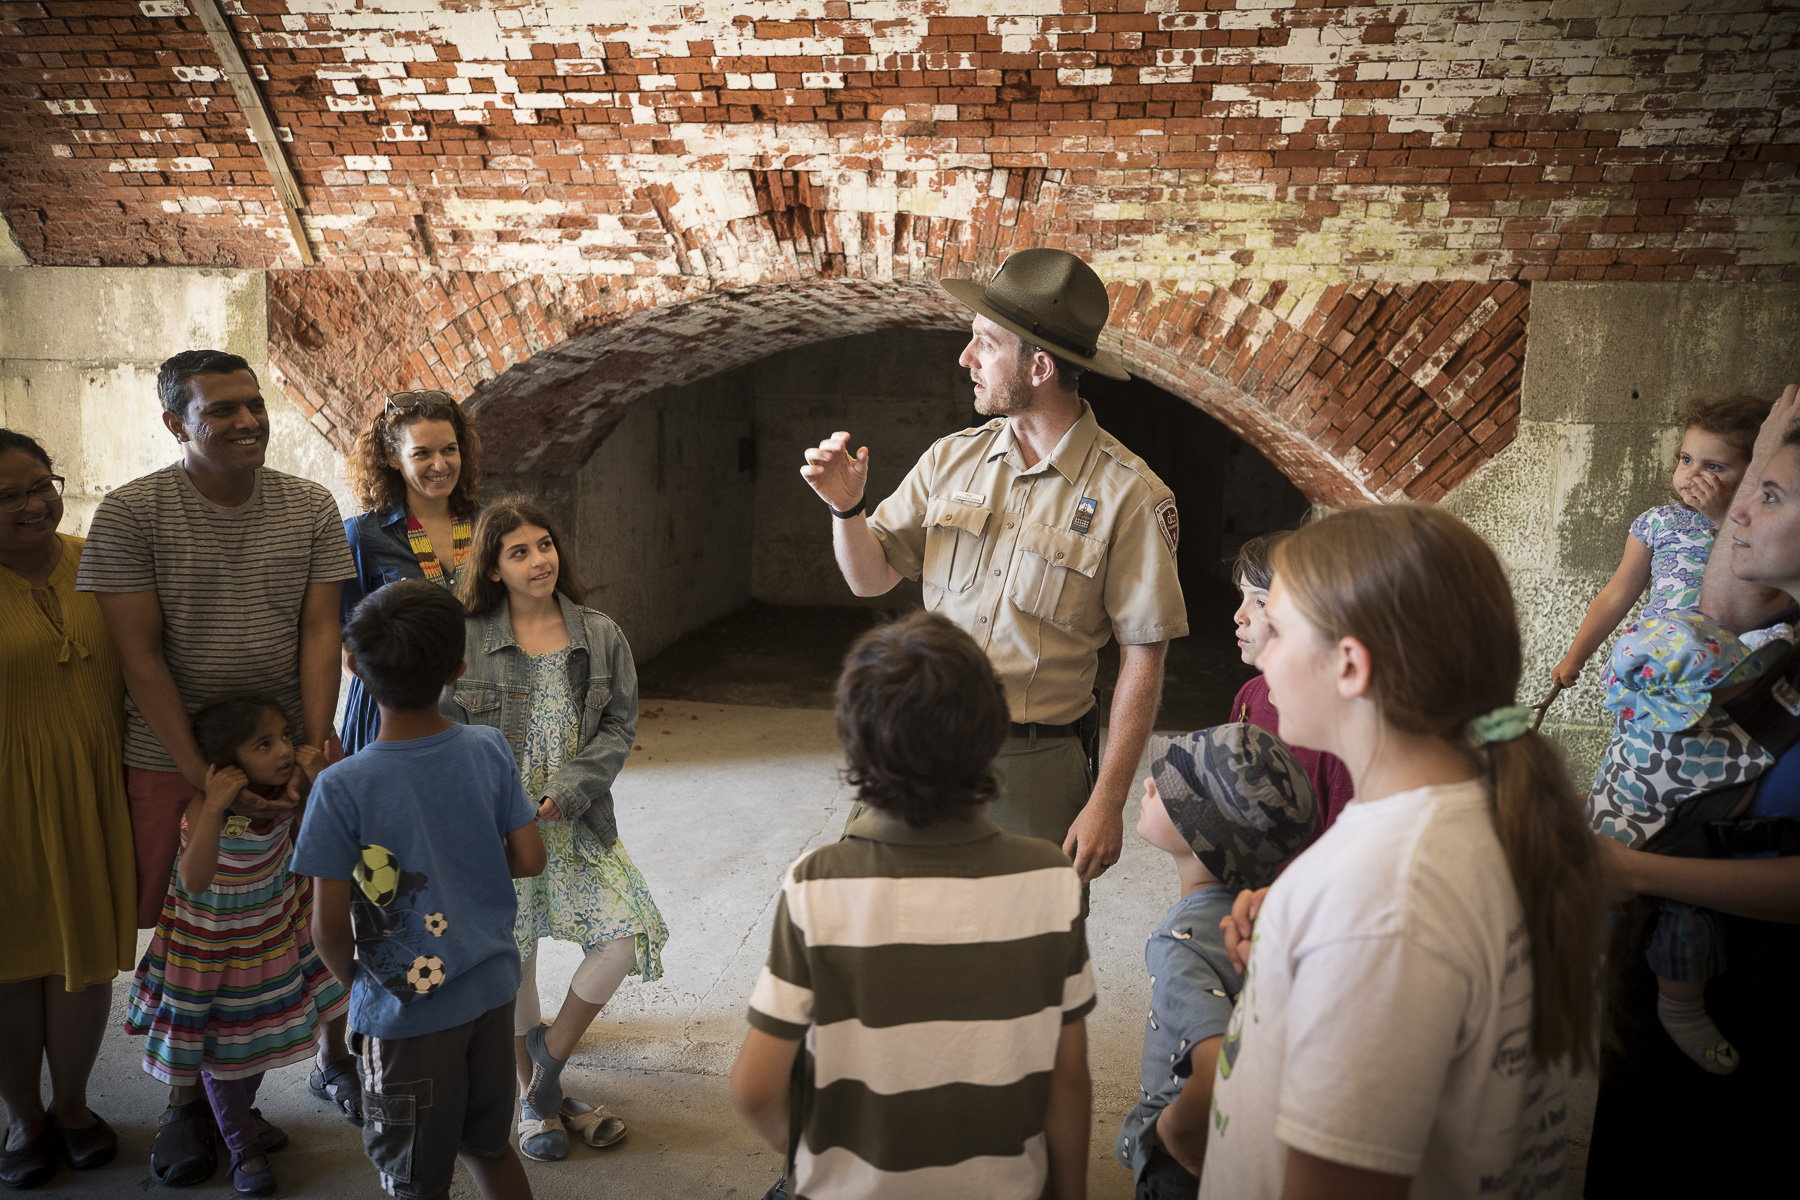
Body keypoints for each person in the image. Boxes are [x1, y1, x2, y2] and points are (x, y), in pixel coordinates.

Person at [1201, 505, 1605, 1200]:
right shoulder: (1475, 815)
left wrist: (1336, 928)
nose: (1263, 654)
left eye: (1281, 629)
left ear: (1349, 665)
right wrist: (1305, 936)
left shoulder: (1381, 900)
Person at [799, 248, 1188, 884]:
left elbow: (1144, 657)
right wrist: (847, 509)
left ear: (1039, 366)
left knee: (1020, 936)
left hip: (1033, 765)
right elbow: (870, 578)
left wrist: (1107, 801)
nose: (965, 358)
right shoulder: (949, 459)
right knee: (870, 915)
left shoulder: (1131, 495)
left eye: (985, 342)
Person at [74, 350, 364, 1152]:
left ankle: (326, 1061)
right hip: (172, 756)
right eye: (221, 410)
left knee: (309, 916)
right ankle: (186, 1106)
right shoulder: (132, 513)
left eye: (254, 404)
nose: (247, 421)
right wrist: (205, 778)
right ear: (177, 424)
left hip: (291, 749)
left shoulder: (309, 504)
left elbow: (320, 630)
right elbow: (140, 658)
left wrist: (310, 751)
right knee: (198, 929)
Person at [731, 612, 1095, 1200]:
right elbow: (1068, 1079)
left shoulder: (817, 884)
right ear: (991, 738)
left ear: (854, 744)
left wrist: (814, 1157)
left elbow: (755, 1091)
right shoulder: (1050, 879)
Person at [1585, 383, 1800, 1196]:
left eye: (1766, 493)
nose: (1735, 512)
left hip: (1764, 979)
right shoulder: (1731, 633)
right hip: (1680, 938)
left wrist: (1638, 869)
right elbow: (1715, 602)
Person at [294, 579, 546, 1200]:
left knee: (414, 1181)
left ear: (353, 667)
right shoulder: (488, 748)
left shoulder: (340, 787)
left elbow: (328, 928)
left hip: (406, 1020)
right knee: (489, 1148)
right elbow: (529, 857)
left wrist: (365, 988)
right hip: (492, 992)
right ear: (458, 667)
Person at [442, 496, 667, 1162]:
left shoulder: (599, 633)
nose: (539, 560)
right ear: (493, 568)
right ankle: (533, 1103)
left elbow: (619, 726)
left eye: (545, 545)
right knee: (516, 962)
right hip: (498, 830)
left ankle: (545, 1067)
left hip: (577, 820)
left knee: (623, 937)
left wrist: (565, 793)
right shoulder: (465, 638)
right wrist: (498, 807)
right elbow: (447, 731)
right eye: (519, 552)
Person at [125, 696, 349, 1196]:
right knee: (225, 1056)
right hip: (209, 953)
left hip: (264, 940)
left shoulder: (284, 793)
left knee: (255, 1045)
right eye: (264, 744)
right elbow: (195, 879)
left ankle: (238, 1119)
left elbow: (316, 841)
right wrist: (214, 805)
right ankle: (244, 1148)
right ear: (228, 765)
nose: (284, 749)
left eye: (285, 736)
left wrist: (318, 783)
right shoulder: (206, 805)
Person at [0, 431, 134, 1190]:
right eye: (7, 495)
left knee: (83, 961)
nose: (32, 505)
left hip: (93, 790)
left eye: (40, 485)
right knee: (10, 967)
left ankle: (73, 1105)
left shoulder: (100, 563)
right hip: (7, 805)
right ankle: (24, 1116)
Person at [1118, 724, 1317, 1198]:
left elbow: (1211, 1071)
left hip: (1185, 1170)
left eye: (1170, 788)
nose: (1149, 783)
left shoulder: (1179, 942)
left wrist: (1173, 1134)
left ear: (1202, 837)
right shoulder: (1271, 915)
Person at [1552, 395, 1767, 688]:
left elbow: (1764, 583)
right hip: (1659, 658)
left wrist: (1721, 517)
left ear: (1755, 472)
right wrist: (1575, 657)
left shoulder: (1758, 526)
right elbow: (1617, 594)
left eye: (1713, 466)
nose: (1692, 474)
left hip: (1728, 665)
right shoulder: (1658, 522)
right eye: (1686, 459)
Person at [340, 389, 484, 755]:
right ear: (392, 457)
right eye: (422, 453)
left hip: (481, 704)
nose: (440, 464)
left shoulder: (489, 526)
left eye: (449, 449)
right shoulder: (363, 535)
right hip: (393, 717)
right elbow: (341, 641)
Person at [1225, 532, 1353, 832]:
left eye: (1261, 602)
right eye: (1243, 597)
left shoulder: (1341, 737)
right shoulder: (1250, 694)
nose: (1239, 615)